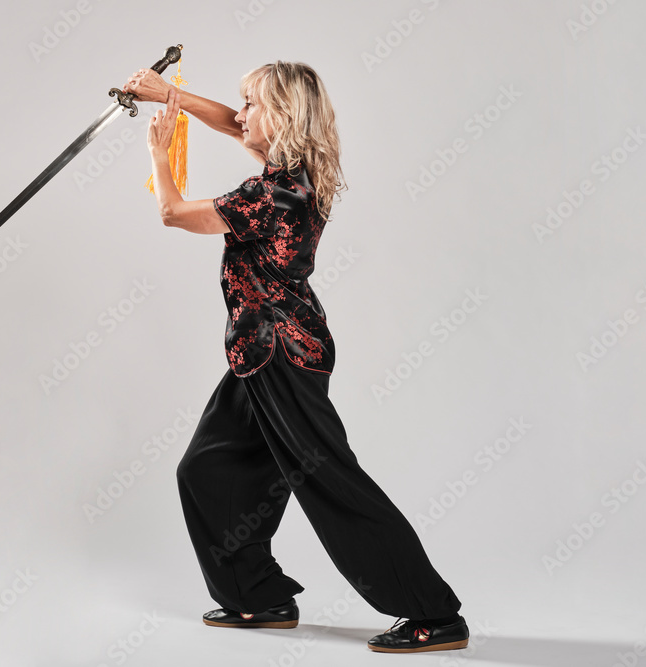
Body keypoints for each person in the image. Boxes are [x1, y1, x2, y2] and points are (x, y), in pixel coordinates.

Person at [121, 61, 469, 654]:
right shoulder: (294, 174)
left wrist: (159, 149)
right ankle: (257, 596)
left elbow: (172, 213)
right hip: (258, 350)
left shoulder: (271, 193)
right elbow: (231, 125)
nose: (241, 114)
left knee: (331, 480)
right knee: (205, 469)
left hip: (280, 353)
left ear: (281, 117)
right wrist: (169, 95)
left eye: (252, 103)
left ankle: (432, 614)